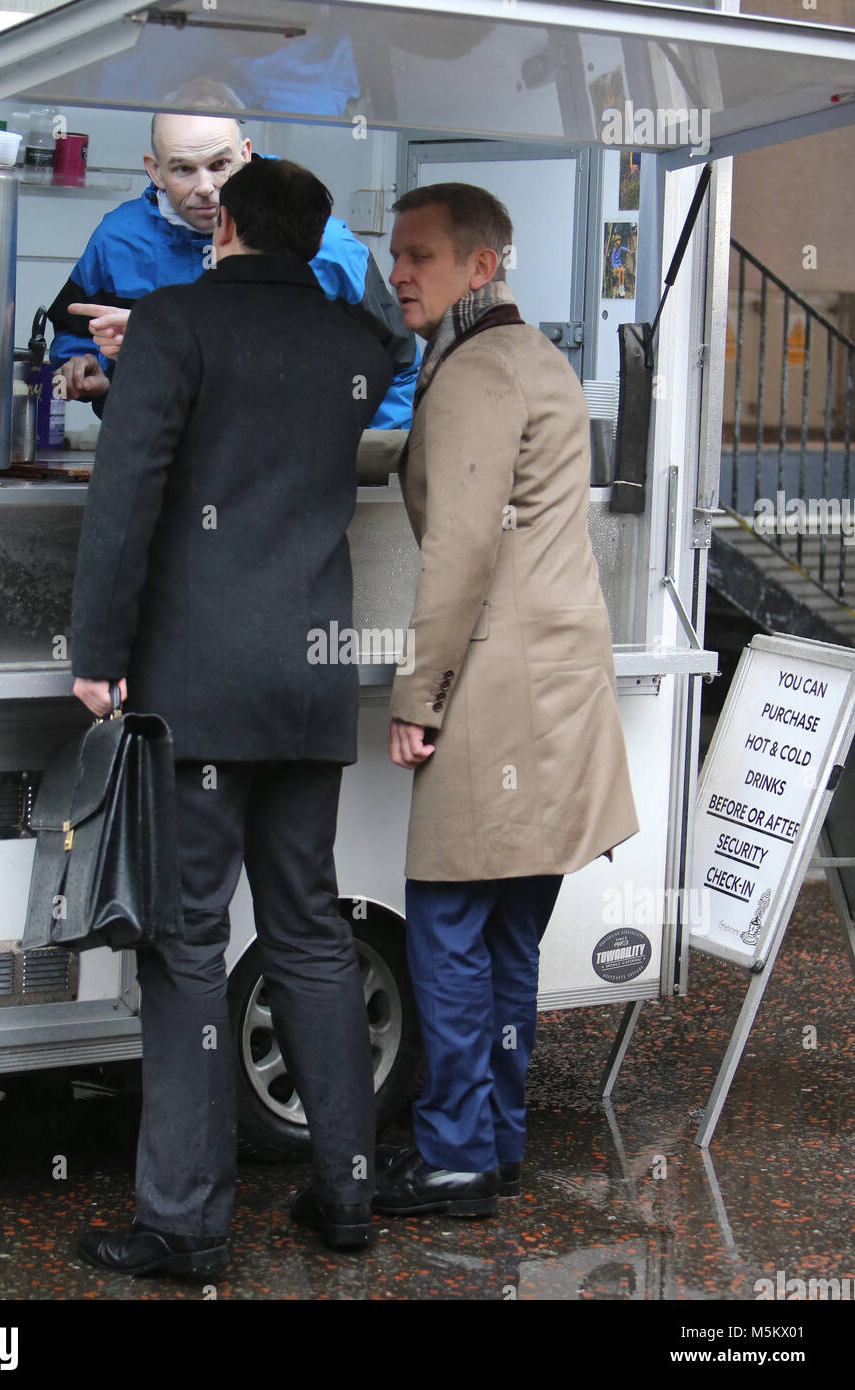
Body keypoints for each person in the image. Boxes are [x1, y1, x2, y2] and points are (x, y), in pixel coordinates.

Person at [69, 157, 394, 1277]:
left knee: (188, 944)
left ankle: (185, 1224)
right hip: (310, 677)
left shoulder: (174, 322)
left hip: (200, 685)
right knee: (308, 930)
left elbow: (127, 495)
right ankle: (346, 1193)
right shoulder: (357, 340)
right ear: (316, 241)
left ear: (225, 227)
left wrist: (97, 653)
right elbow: (390, 333)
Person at [369, 183, 640, 1217]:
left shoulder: (475, 370)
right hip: (560, 687)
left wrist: (417, 696)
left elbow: (460, 549)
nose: (399, 271)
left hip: (493, 693)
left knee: (445, 922)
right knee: (508, 937)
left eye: (421, 256)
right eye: (394, 254)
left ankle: (451, 1160)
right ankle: (496, 1141)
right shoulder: (533, 356)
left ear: (481, 267)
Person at [48, 111, 417, 428]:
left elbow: (398, 365)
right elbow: (74, 340)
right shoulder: (115, 242)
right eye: (183, 169)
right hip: (163, 467)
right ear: (155, 171)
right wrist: (90, 370)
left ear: (245, 153)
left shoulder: (330, 247)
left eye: (219, 165)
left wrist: (363, 460)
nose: (206, 187)